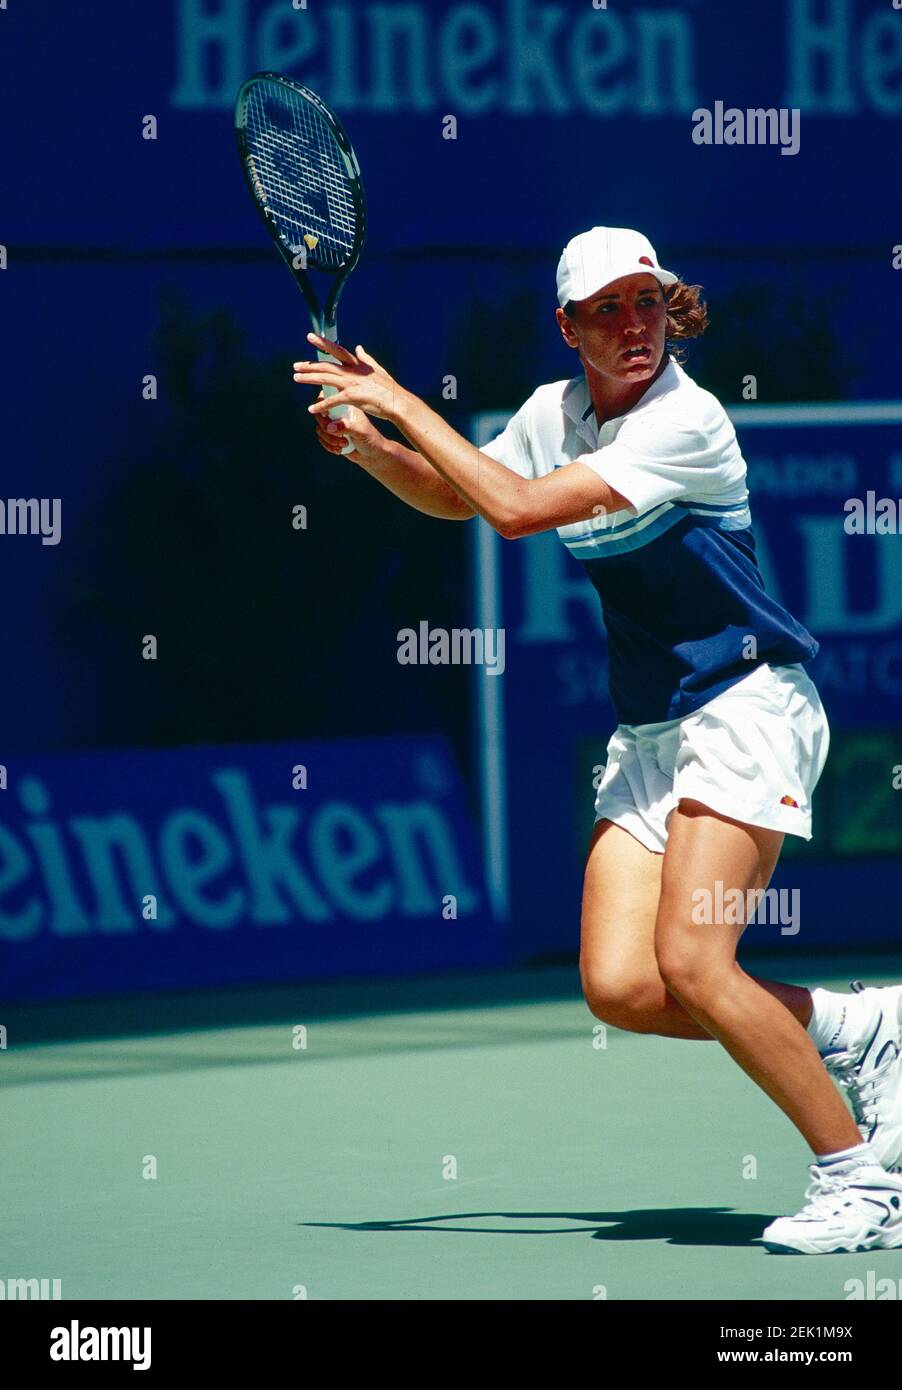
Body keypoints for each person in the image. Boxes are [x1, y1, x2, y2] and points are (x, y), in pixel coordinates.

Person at [293, 226, 902, 1255]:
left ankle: (858, 1182)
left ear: (670, 308)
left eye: (647, 302)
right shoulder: (552, 413)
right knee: (622, 983)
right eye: (608, 309)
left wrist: (399, 400)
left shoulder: (686, 419)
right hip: (652, 726)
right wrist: (370, 450)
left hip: (743, 707)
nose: (633, 326)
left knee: (695, 962)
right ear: (567, 326)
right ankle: (854, 1026)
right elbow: (466, 496)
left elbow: (523, 510)